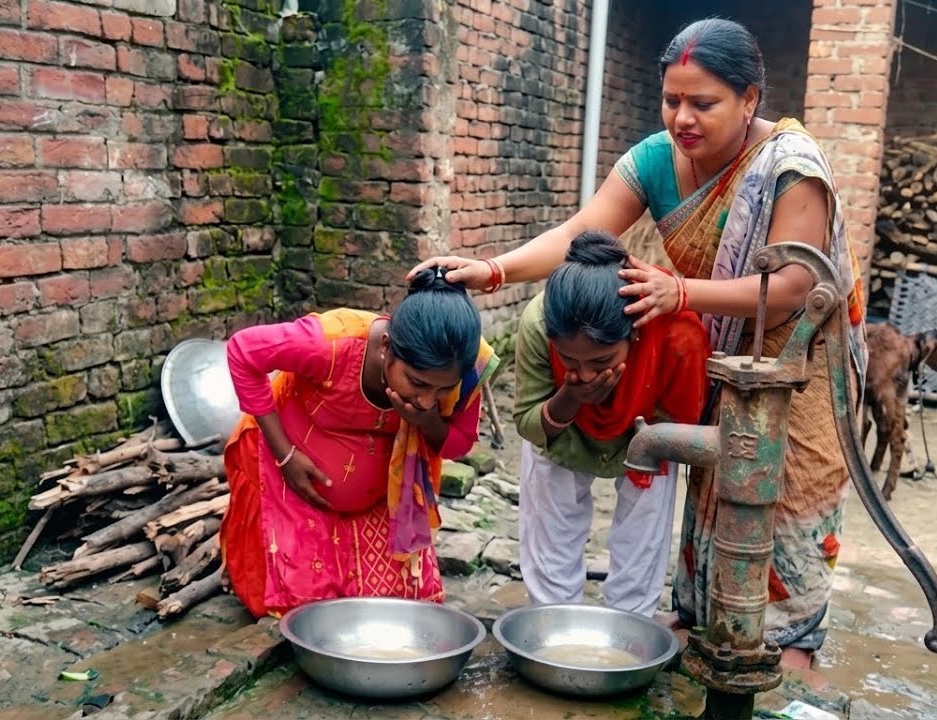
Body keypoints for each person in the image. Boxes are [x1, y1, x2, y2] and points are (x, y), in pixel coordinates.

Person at [409, 18, 868, 670]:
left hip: (797, 352)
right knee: (714, 483)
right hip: (717, 339)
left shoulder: (790, 167)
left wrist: (682, 295)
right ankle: (706, 619)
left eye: (703, 103)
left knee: (786, 490)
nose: (682, 117)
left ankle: (790, 640)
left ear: (749, 99)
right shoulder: (656, 159)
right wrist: (495, 271)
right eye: (671, 100)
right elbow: (580, 230)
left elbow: (795, 283)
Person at [219, 268, 500, 618]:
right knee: (298, 609)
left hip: (383, 495)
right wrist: (285, 455)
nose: (429, 399)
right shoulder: (329, 343)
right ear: (386, 348)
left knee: (398, 611)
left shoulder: (467, 364)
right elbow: (243, 352)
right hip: (287, 471)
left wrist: (425, 422)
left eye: (442, 390)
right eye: (417, 382)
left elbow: (457, 445)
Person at [514, 230, 709, 617]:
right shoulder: (539, 321)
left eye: (601, 362)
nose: (585, 375)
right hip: (562, 432)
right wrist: (568, 399)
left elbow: (679, 430)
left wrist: (642, 442)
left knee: (644, 531)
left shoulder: (675, 336)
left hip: (645, 435)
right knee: (551, 529)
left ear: (634, 334)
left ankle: (630, 627)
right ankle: (552, 624)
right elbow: (528, 423)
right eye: (570, 361)